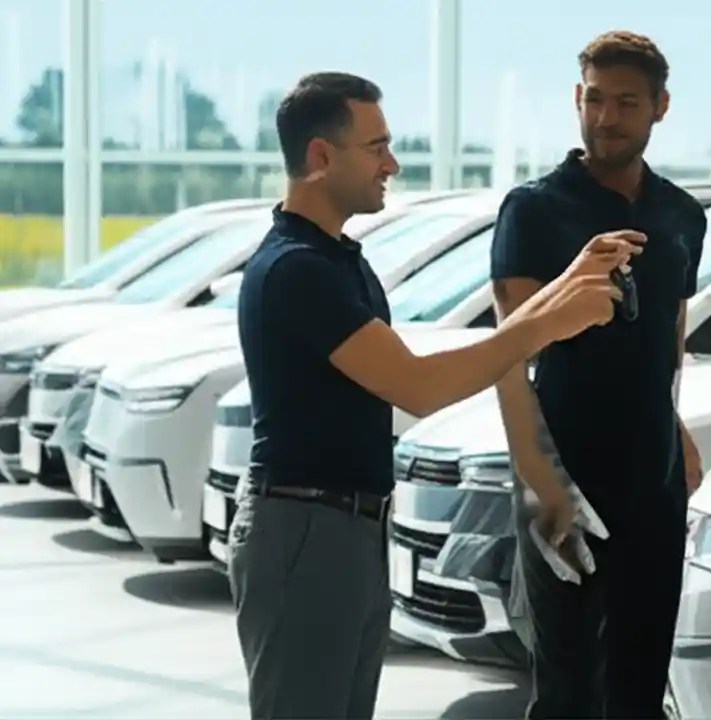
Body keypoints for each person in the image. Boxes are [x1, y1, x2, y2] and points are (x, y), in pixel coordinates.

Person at [227, 71, 639, 720]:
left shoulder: (335, 260)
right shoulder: (296, 271)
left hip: (344, 527)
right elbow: (417, 386)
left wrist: (567, 282)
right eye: (377, 147)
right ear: (320, 157)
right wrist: (550, 322)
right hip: (307, 531)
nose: (392, 163)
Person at [488, 31, 707, 719]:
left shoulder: (681, 215)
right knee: (568, 688)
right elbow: (509, 356)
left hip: (653, 482)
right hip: (564, 477)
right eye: (594, 99)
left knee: (640, 683)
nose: (606, 117)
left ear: (660, 108)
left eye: (626, 103)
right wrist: (543, 484)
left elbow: (666, 339)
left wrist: (677, 431)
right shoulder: (534, 209)